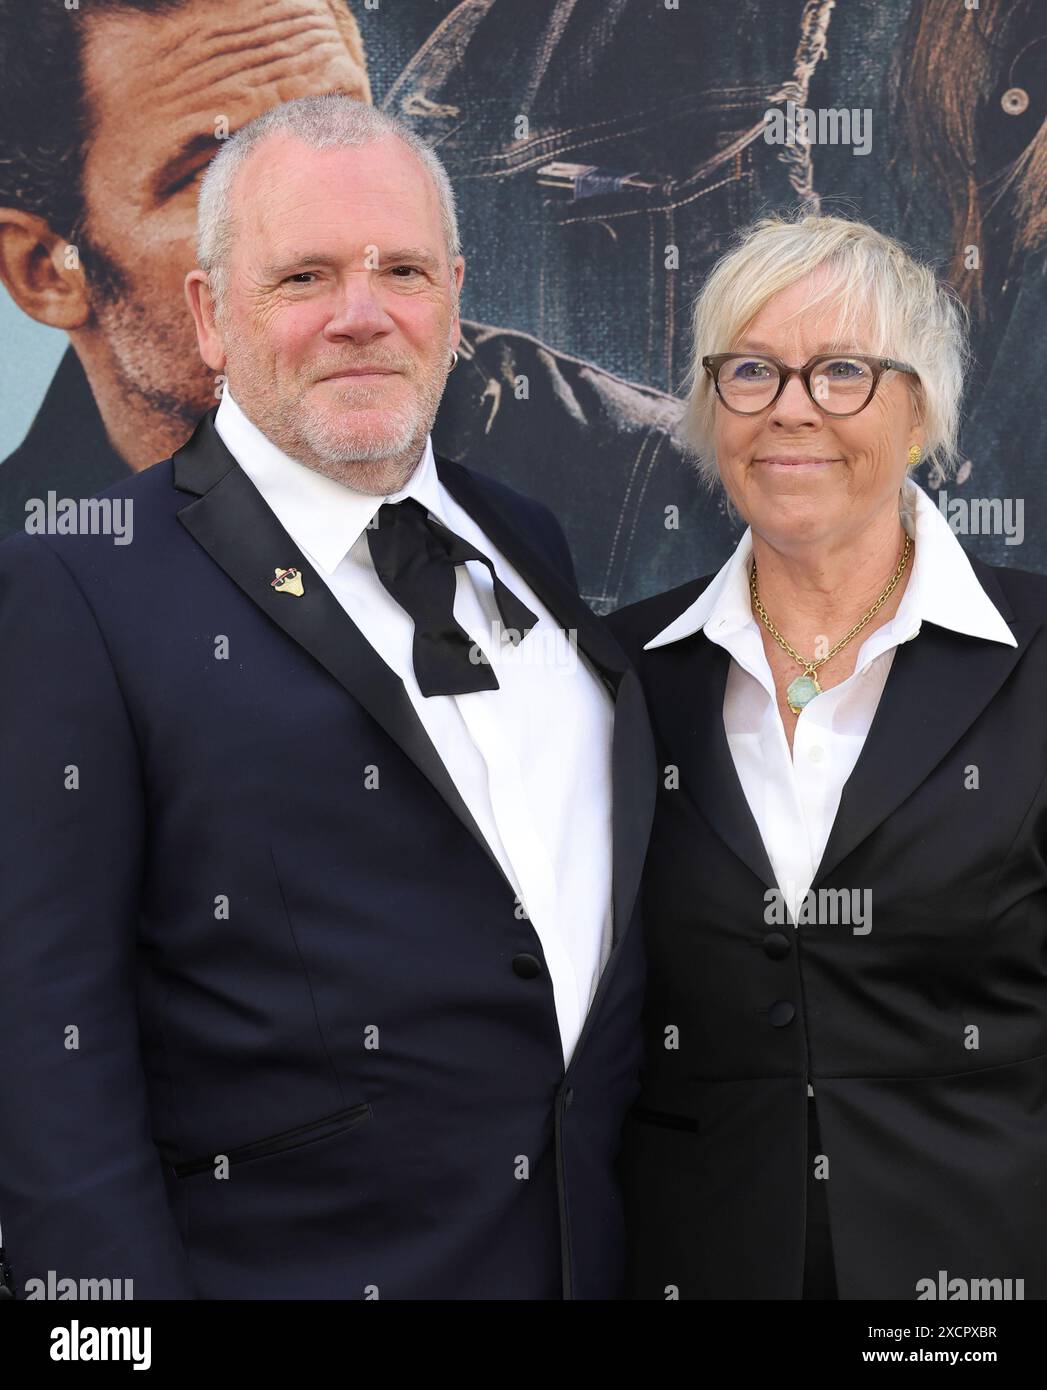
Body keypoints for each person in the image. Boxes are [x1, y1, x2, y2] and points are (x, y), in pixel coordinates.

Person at [0, 95, 654, 1300]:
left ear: (455, 294)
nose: (363, 316)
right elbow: (44, 1050)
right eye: (303, 276)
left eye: (400, 269)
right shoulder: (77, 589)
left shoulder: (529, 541)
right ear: (211, 316)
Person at [607, 213, 1047, 1300]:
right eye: (751, 370)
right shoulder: (619, 677)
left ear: (919, 412)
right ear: (713, 414)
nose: (792, 406)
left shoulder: (1036, 657)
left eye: (842, 369)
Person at [0, 0, 704, 611]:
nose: (331, 217)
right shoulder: (28, 580)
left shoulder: (646, 488)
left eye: (337, 129)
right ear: (46, 272)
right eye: (212, 170)